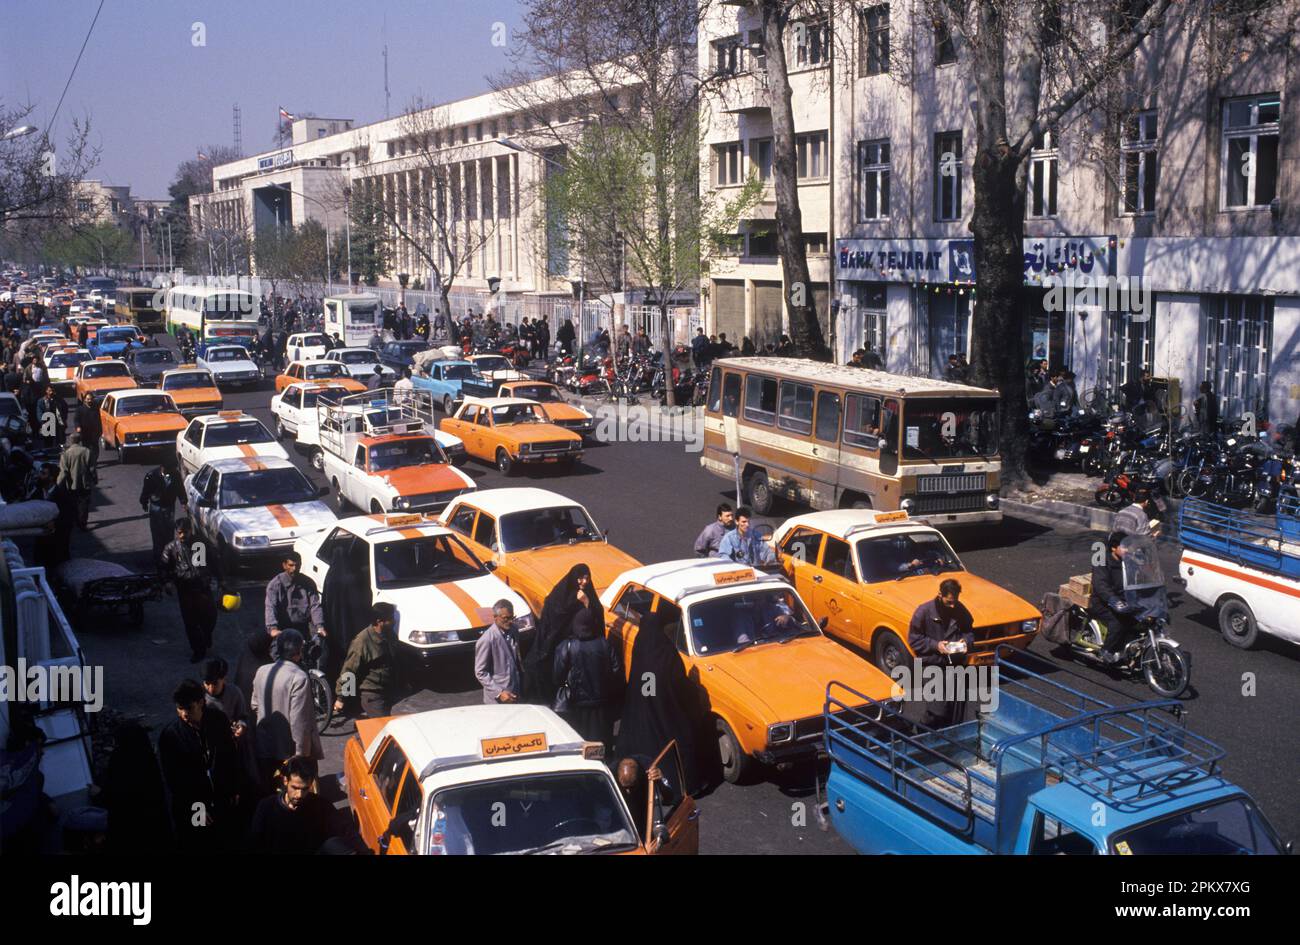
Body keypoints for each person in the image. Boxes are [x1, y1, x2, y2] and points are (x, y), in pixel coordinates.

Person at [616, 611, 708, 795]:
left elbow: (643, 681)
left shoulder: (640, 648)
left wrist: (648, 697)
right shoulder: (667, 653)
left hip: (642, 710)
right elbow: (678, 684)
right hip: (666, 711)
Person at [156, 679, 238, 852]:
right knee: (199, 842)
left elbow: (230, 757)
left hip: (221, 798)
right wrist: (195, 807)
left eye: (189, 708)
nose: (184, 714)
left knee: (225, 840)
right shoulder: (171, 735)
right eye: (180, 709)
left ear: (201, 703)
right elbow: (173, 779)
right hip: (193, 804)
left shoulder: (218, 720)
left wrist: (234, 788)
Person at [250, 628, 322, 788]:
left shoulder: (261, 671)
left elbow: (255, 705)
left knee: (272, 788)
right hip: (289, 751)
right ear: (298, 653)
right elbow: (299, 721)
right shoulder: (299, 678)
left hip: (265, 745)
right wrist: (301, 755)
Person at [521, 563, 603, 705]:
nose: (584, 581)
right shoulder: (560, 593)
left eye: (587, 578)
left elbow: (597, 616)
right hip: (554, 641)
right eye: (580, 578)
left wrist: (586, 602)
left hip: (578, 644)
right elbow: (552, 616)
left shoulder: (588, 594)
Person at [906, 578, 976, 727]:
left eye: (955, 601)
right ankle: (925, 733)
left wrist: (966, 642)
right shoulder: (923, 612)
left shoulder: (960, 610)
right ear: (940, 595)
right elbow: (914, 640)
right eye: (949, 601)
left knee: (956, 708)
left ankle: (951, 737)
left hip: (955, 664)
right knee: (937, 709)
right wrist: (936, 645)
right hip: (932, 664)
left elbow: (969, 632)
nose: (952, 605)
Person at [552, 607, 622, 748]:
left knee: (579, 742)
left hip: (576, 705)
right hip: (601, 704)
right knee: (601, 742)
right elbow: (617, 671)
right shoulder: (604, 643)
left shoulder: (568, 646)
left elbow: (558, 675)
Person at [246, 754, 344, 854]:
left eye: (305, 789)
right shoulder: (266, 807)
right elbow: (254, 842)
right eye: (295, 788)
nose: (299, 795)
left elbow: (344, 830)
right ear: (285, 780)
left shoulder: (321, 806)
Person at [99, 721, 171, 855]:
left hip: (132, 829)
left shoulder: (120, 760)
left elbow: (117, 797)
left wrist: (99, 794)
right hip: (155, 825)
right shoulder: (147, 755)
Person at [159, 518, 220, 662]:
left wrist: (221, 580)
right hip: (185, 591)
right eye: (179, 533)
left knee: (210, 617)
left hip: (203, 589)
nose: (181, 536)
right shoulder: (171, 548)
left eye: (184, 533)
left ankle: (206, 635)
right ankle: (198, 650)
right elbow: (163, 567)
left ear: (190, 531)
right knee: (191, 623)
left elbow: (214, 561)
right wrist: (166, 582)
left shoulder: (201, 544)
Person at [203, 657, 259, 800]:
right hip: (213, 748)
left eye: (214, 684)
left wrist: (242, 726)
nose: (210, 688)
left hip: (236, 745)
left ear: (224, 679)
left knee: (247, 778)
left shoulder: (234, 693)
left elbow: (243, 716)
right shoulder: (201, 698)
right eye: (207, 684)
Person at [334, 603, 399, 719]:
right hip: (372, 696)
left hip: (387, 691)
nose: (394, 621)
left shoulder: (389, 634)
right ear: (380, 621)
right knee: (382, 728)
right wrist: (341, 698)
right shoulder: (362, 642)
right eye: (391, 619)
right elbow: (349, 671)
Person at [264, 551, 326, 660]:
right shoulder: (274, 585)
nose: (294, 569)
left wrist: (320, 626)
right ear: (284, 565)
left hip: (302, 628)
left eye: (297, 565)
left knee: (314, 654)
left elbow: (315, 605)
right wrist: (272, 628)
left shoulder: (308, 583)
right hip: (283, 629)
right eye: (291, 565)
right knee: (276, 656)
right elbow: (270, 607)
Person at [1090, 533, 1137, 664]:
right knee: (1119, 622)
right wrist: (1114, 601)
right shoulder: (1102, 562)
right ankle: (1106, 651)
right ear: (1113, 548)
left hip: (1123, 600)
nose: (1128, 550)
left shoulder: (1128, 562)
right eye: (1124, 547)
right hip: (1101, 602)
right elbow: (1101, 586)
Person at [475, 599, 523, 705]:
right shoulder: (487, 639)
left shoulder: (514, 629)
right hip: (498, 700)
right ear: (495, 617)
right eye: (505, 618)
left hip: (515, 692)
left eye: (512, 618)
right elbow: (481, 673)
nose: (510, 621)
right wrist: (499, 693)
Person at [140, 461, 188, 567]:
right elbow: (146, 491)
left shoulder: (175, 475)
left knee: (168, 531)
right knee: (157, 532)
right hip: (156, 507)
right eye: (168, 470)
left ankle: (168, 556)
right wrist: (144, 502)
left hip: (169, 507)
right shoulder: (151, 476)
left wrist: (183, 502)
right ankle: (158, 557)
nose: (170, 472)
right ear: (162, 468)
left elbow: (180, 489)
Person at [28, 464, 74, 568]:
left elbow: (69, 518)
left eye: (43, 474)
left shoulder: (62, 495)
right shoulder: (37, 493)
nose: (39, 476)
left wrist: (55, 523)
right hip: (41, 545)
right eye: (40, 472)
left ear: (52, 477)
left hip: (57, 545)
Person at [56, 430, 93, 529]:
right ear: (79, 440)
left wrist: (57, 484)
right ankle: (82, 522)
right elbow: (92, 468)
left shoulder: (66, 454)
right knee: (84, 504)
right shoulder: (86, 451)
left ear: (71, 441)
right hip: (85, 484)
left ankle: (76, 521)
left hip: (72, 485)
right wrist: (94, 479)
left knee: (73, 504)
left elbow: (63, 471)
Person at [73, 390, 102, 476]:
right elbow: (76, 419)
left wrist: (100, 430)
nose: (89, 401)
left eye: (91, 399)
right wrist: (78, 427)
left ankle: (94, 461)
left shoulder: (96, 408)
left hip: (95, 432)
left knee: (95, 449)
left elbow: (100, 419)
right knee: (86, 449)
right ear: (85, 400)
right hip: (85, 433)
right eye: (88, 399)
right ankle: (88, 462)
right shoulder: (80, 409)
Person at [34, 383, 67, 450]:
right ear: (46, 391)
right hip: (47, 423)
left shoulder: (59, 400)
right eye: (49, 391)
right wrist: (42, 421)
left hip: (58, 423)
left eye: (52, 391)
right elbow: (39, 413)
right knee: (48, 443)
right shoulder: (41, 401)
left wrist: (64, 418)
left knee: (59, 441)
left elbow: (65, 408)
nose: (51, 392)